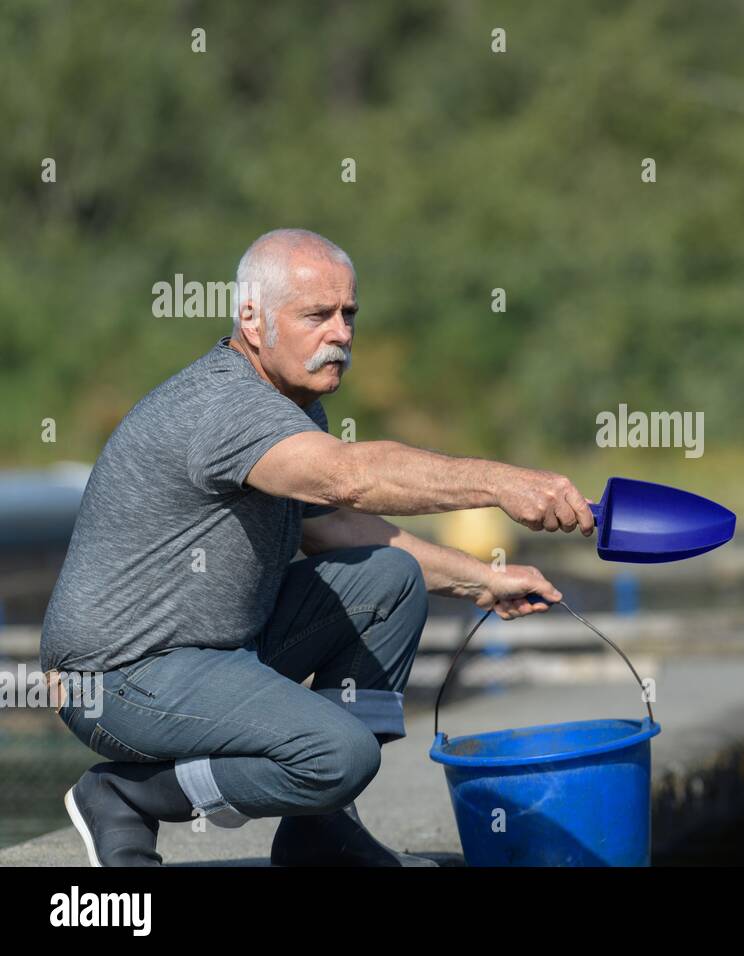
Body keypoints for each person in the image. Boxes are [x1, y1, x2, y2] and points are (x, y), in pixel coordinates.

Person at [40, 228, 595, 866]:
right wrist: (502, 483)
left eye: (348, 313)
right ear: (251, 318)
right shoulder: (225, 405)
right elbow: (351, 478)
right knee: (339, 756)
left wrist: (480, 581)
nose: (341, 333)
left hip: (217, 652)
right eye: (316, 315)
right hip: (117, 676)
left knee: (388, 579)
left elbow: (337, 526)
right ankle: (130, 796)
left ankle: (319, 836)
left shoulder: (295, 409)